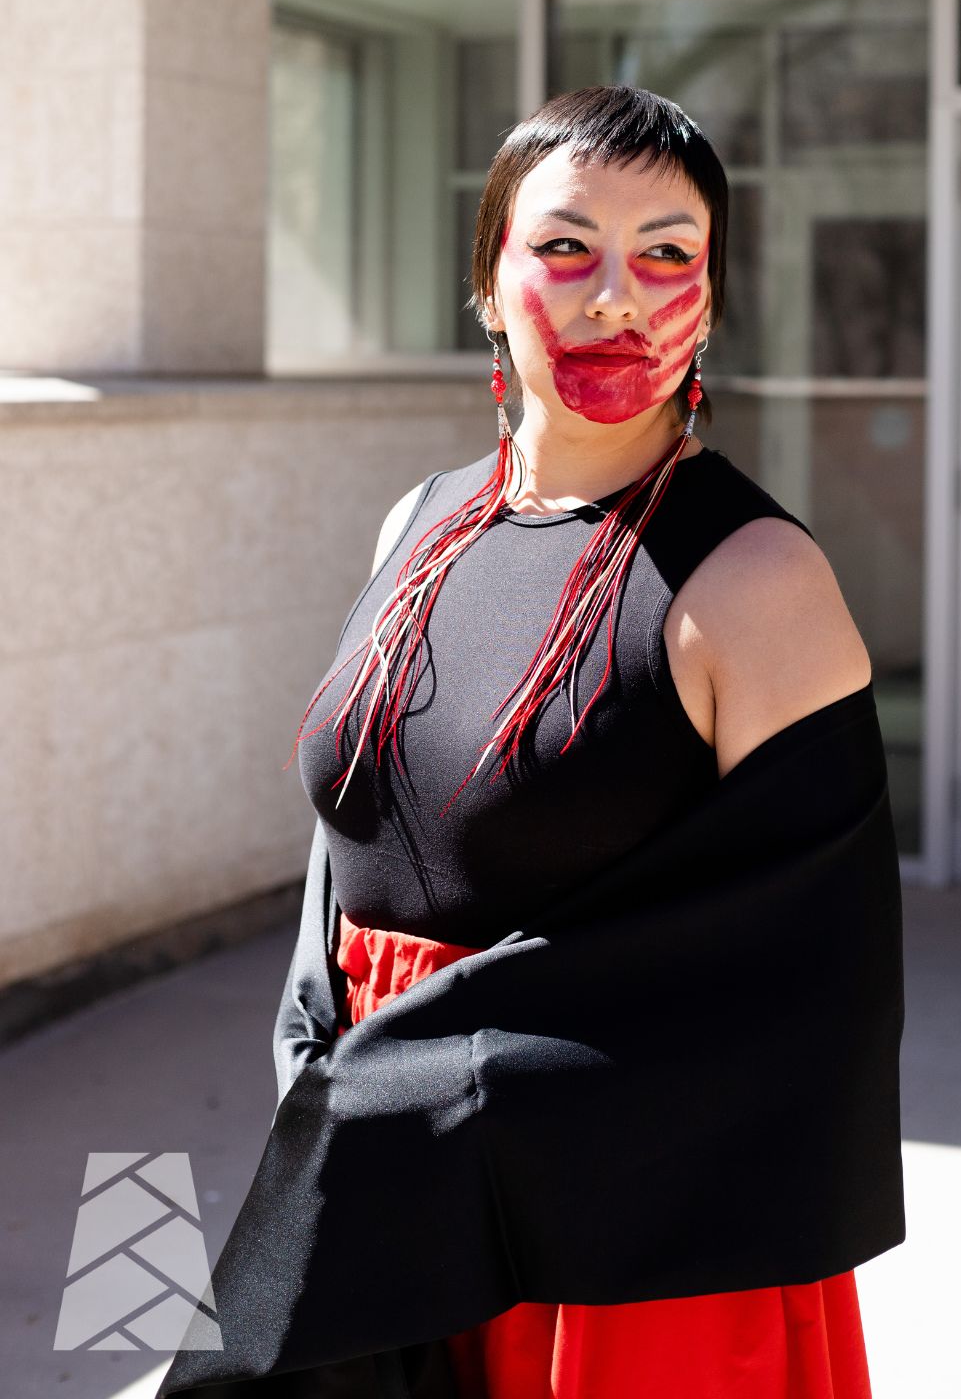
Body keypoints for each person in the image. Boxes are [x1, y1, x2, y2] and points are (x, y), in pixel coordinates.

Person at [280, 83, 883, 1399]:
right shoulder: (417, 521)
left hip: (620, 1243)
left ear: (709, 302)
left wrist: (433, 1092)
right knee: (172, 1323)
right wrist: (324, 1081)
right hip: (373, 1161)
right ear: (489, 286)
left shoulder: (755, 581)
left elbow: (806, 987)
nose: (617, 296)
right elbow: (348, 860)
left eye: (667, 253)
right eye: (565, 246)